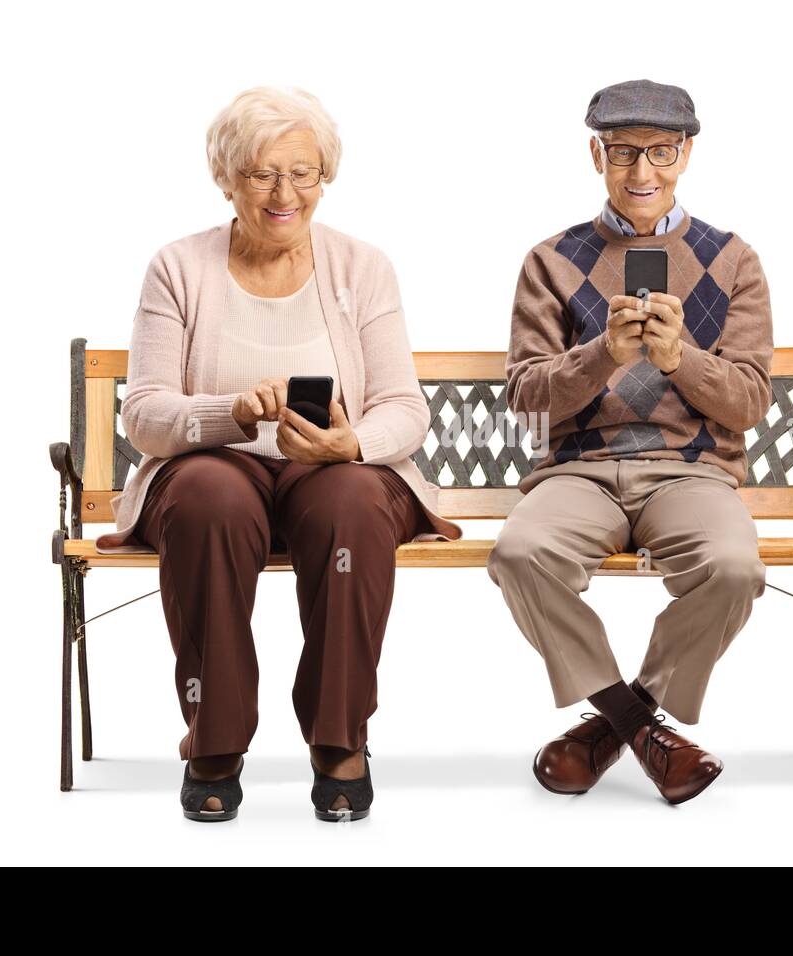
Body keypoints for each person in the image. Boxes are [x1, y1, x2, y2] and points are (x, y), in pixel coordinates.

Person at [94, 85, 462, 822]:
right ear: (226, 178)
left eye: (303, 172)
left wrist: (351, 443)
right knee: (209, 500)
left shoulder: (363, 267)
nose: (284, 193)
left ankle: (339, 735)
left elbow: (405, 408)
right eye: (262, 174)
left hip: (331, 467)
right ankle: (215, 738)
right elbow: (144, 414)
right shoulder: (178, 267)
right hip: (213, 466)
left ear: (326, 176)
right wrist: (229, 413)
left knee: (353, 503)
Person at [487, 79, 773, 805]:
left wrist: (680, 360)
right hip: (578, 473)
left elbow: (748, 400)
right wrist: (602, 356)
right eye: (622, 152)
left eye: (660, 152)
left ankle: (614, 723)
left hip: (691, 475)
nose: (641, 171)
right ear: (597, 156)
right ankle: (642, 727)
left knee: (735, 567)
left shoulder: (732, 259)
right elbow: (524, 395)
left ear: (686, 155)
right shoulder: (551, 260)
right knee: (519, 554)